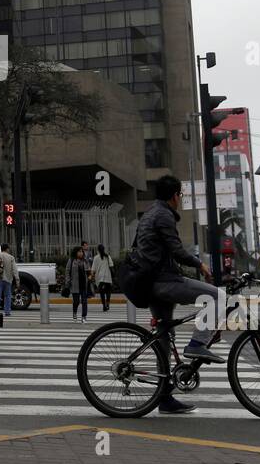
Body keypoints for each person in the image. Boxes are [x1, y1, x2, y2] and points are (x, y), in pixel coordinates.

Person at [130, 175, 228, 415]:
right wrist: (201, 265)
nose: (181, 199)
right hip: (163, 282)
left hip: (149, 282)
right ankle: (197, 344)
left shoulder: (150, 213)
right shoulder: (163, 215)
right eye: (181, 195)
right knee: (217, 297)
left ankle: (164, 398)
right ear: (174, 196)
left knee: (164, 334)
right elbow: (176, 250)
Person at [0, 243, 17, 317]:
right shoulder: (11, 257)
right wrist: (17, 280)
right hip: (8, 280)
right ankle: (7, 312)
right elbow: (15, 270)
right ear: (7, 249)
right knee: (7, 296)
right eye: (9, 248)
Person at [66, 246, 91, 322]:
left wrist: (90, 276)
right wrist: (68, 281)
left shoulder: (85, 261)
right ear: (75, 252)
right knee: (76, 301)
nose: (81, 253)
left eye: (82, 252)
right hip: (75, 284)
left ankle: (84, 317)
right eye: (79, 252)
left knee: (84, 301)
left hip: (84, 284)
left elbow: (89, 271)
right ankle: (74, 313)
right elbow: (67, 271)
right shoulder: (71, 260)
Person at [92, 244, 114, 311]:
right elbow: (111, 265)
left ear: (98, 250)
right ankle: (107, 303)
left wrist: (92, 276)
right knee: (108, 291)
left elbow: (93, 269)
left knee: (101, 292)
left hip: (100, 277)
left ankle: (104, 305)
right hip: (107, 276)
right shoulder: (107, 256)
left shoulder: (96, 258)